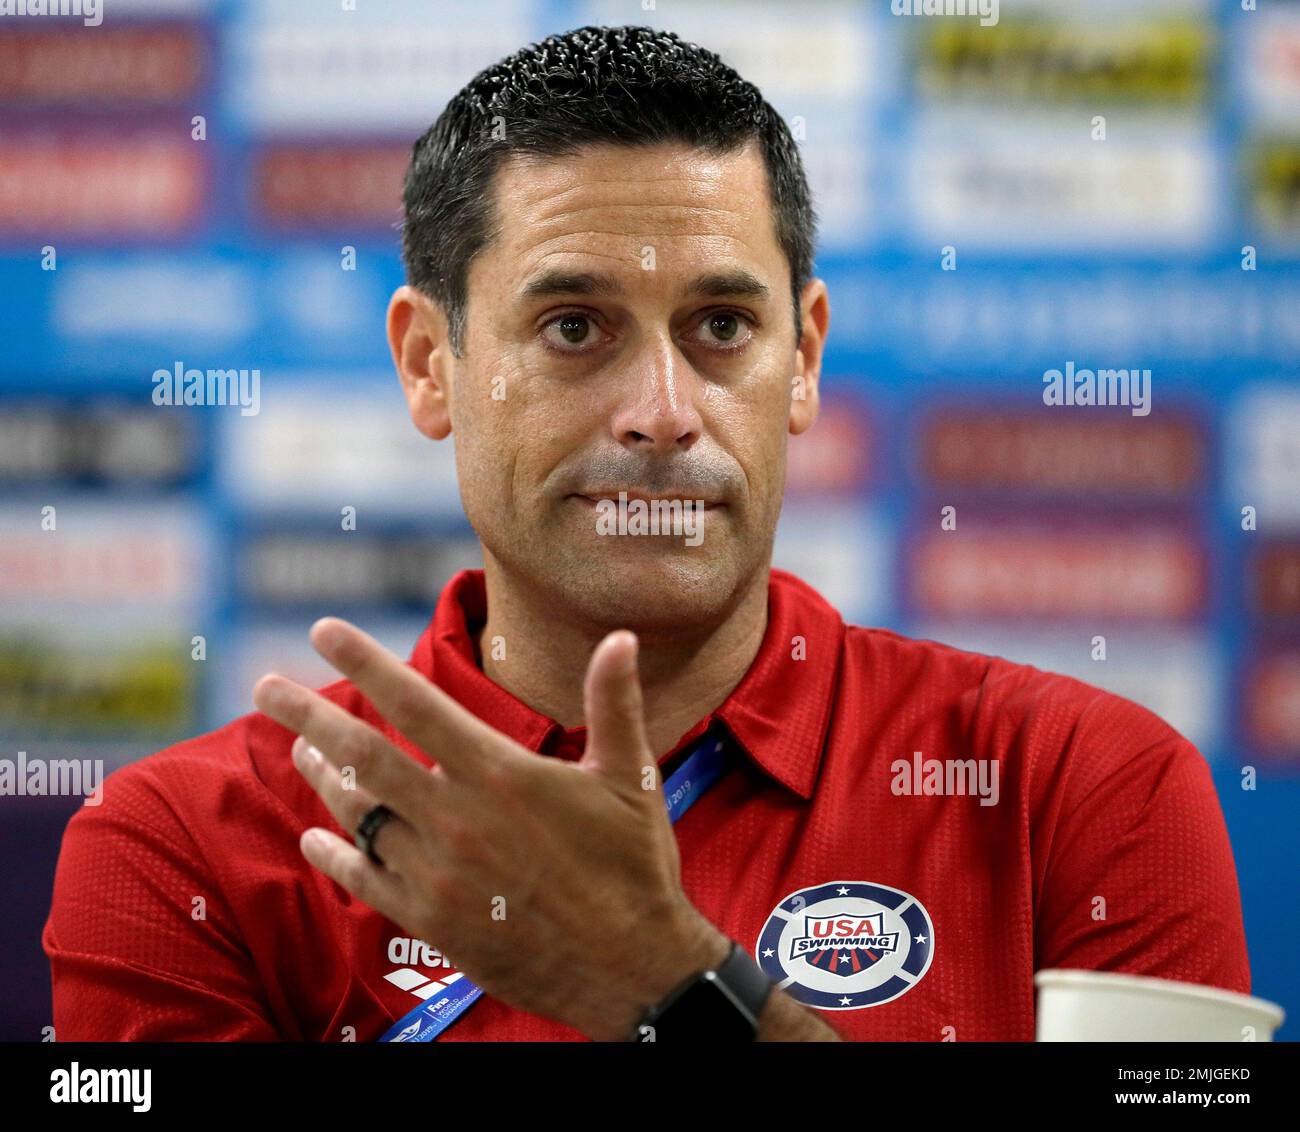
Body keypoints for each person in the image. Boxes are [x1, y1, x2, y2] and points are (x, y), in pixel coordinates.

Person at [44, 24, 1248, 1042]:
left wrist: (675, 986)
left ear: (804, 357)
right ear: (430, 365)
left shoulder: (1089, 786)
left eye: (721, 324)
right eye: (574, 327)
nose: (664, 414)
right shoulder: (184, 848)